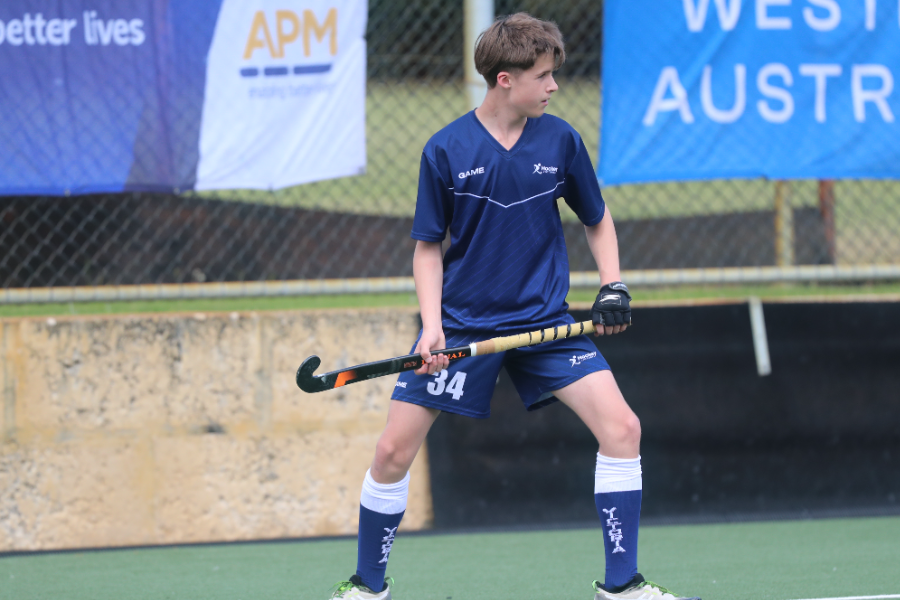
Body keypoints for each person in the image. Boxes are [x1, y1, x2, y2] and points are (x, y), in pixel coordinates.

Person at [330, 13, 700, 600]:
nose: (554, 86)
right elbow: (428, 249)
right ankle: (366, 588)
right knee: (392, 450)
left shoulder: (561, 141)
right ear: (506, 80)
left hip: (547, 325)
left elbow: (596, 220)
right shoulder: (446, 150)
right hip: (464, 327)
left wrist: (613, 285)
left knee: (623, 429)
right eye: (544, 75)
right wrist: (431, 330)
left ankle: (622, 586)